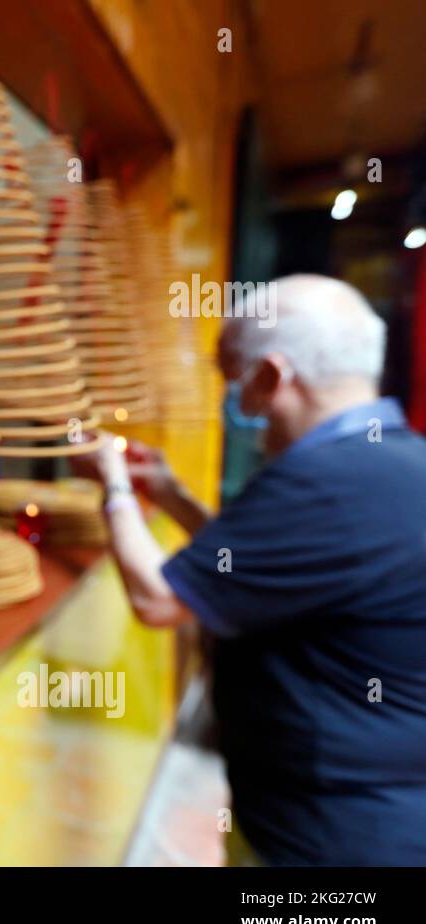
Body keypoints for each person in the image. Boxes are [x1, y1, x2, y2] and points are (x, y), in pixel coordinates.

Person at [77, 274, 426, 866]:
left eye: (237, 386)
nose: (241, 409)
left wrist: (111, 482)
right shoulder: (396, 462)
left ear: (272, 376)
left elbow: (159, 600)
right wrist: (172, 494)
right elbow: (260, 566)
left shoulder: (327, 481)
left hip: (328, 835)